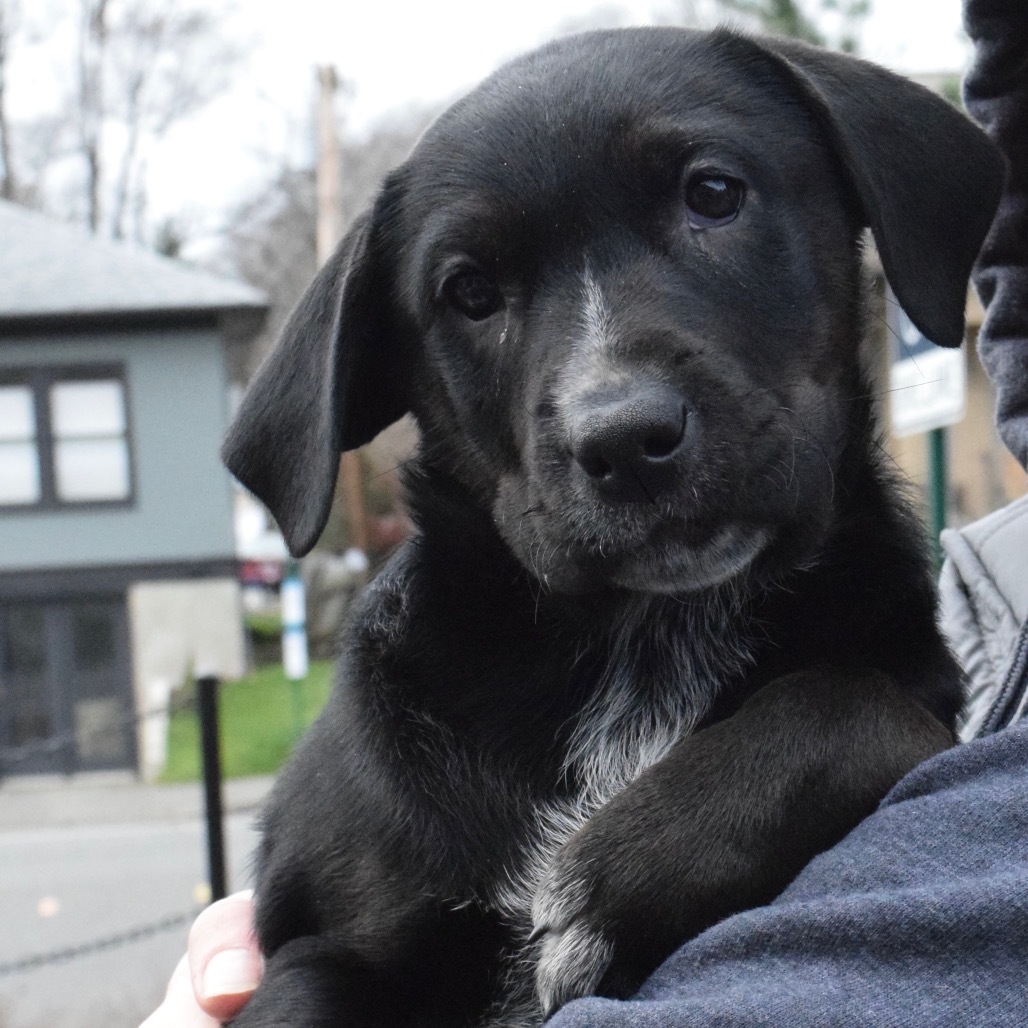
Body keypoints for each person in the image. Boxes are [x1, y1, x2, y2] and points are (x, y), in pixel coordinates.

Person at [142, 1, 1028, 1023]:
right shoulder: (394, 766)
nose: (611, 405)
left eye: (711, 197)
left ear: (861, 195)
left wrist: (848, 733)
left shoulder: (901, 698)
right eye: (475, 294)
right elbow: (313, 972)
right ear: (391, 370)